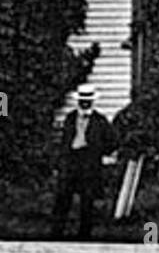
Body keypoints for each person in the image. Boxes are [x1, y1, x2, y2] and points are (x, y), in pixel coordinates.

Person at [50, 83, 118, 240]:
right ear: (78, 102)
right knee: (63, 197)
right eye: (82, 101)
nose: (85, 104)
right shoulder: (70, 118)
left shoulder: (100, 121)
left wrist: (98, 152)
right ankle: (56, 234)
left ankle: (84, 235)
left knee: (87, 201)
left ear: (92, 102)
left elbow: (112, 142)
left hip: (89, 163)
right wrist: (60, 162)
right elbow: (64, 143)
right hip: (71, 161)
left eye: (88, 101)